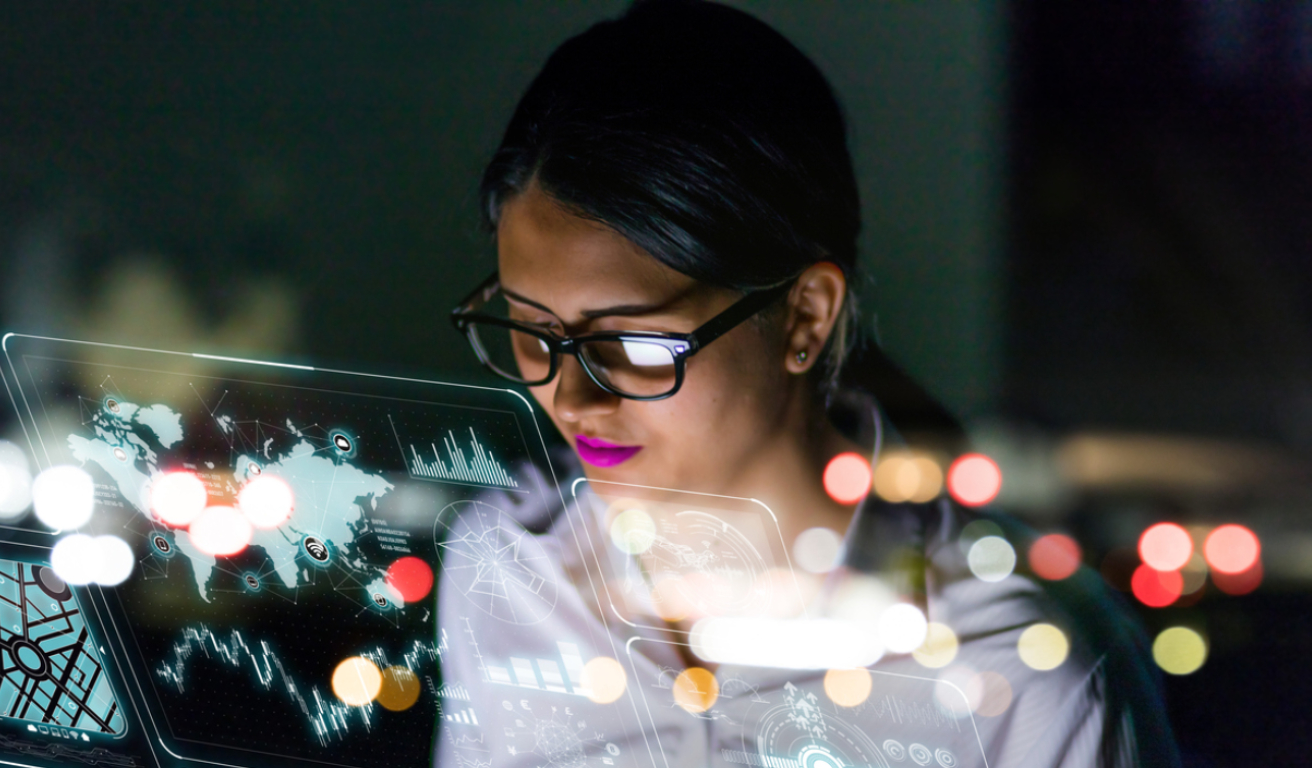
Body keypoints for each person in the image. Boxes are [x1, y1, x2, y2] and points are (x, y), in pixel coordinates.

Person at [435, 2, 1180, 766]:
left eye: (629, 340)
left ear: (804, 317)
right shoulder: (504, 575)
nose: (572, 398)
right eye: (531, 329)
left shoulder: (1023, 667)